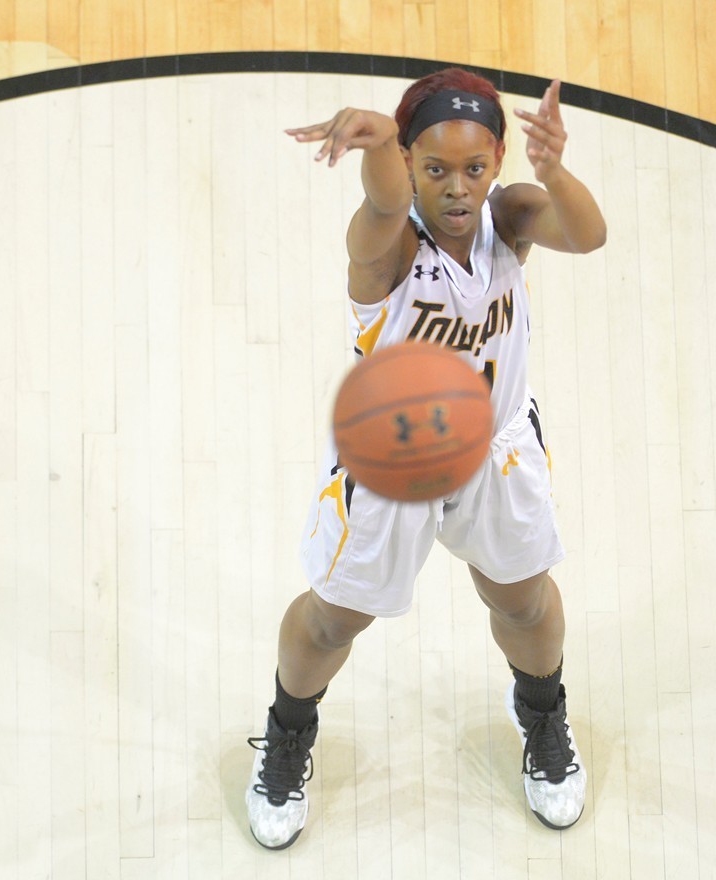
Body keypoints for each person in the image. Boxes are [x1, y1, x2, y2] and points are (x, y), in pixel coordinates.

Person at [245, 69, 607, 850]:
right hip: (395, 464)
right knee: (333, 621)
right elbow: (378, 203)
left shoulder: (509, 217)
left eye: (474, 169)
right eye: (434, 168)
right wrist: (376, 139)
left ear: (498, 162)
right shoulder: (389, 247)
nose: (456, 187)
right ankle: (286, 734)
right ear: (409, 163)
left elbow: (588, 235)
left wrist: (554, 172)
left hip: (497, 451)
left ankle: (543, 718)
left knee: (525, 604)